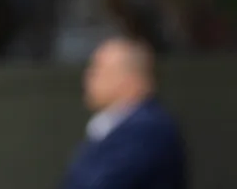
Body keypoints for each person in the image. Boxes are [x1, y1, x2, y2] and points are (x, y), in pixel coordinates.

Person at [60, 37, 187, 189]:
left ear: (130, 79)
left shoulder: (147, 129)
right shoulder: (117, 124)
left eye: (98, 69)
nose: (88, 77)